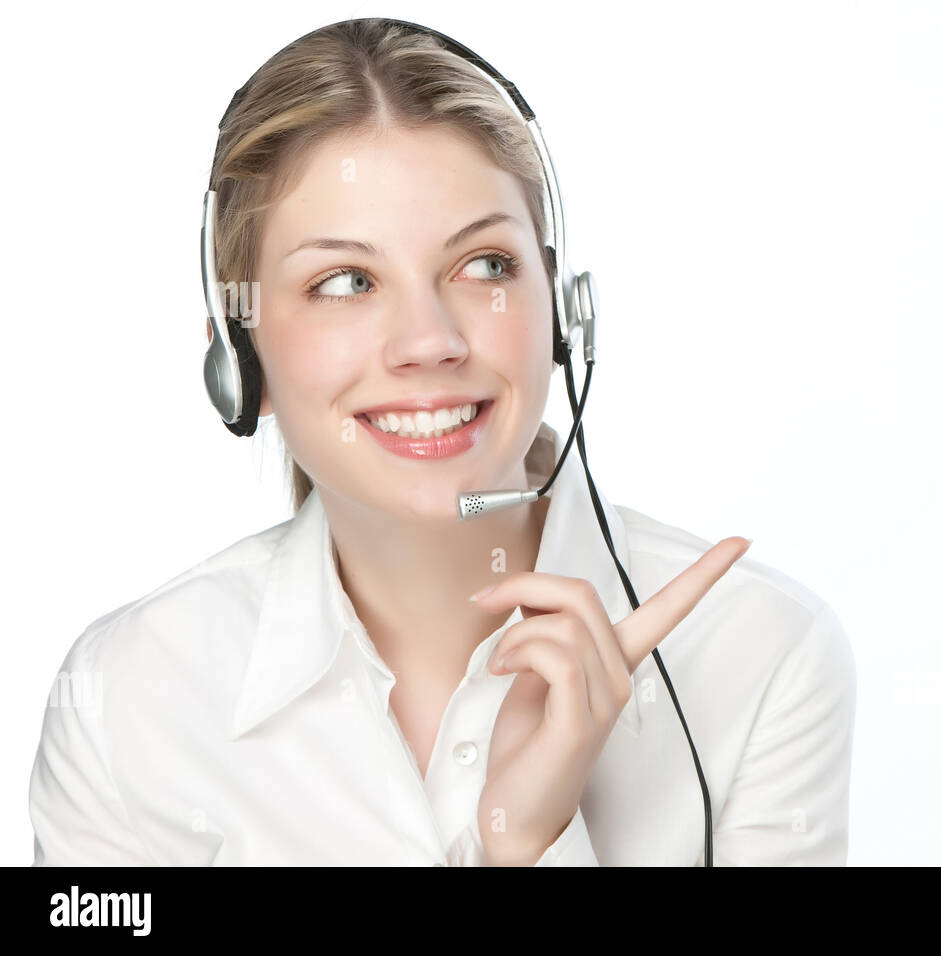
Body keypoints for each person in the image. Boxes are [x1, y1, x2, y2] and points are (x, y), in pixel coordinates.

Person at [28, 17, 856, 866]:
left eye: (485, 266)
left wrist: (532, 847)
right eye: (344, 282)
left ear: (562, 313)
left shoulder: (759, 657)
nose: (428, 341)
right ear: (241, 359)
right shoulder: (128, 703)